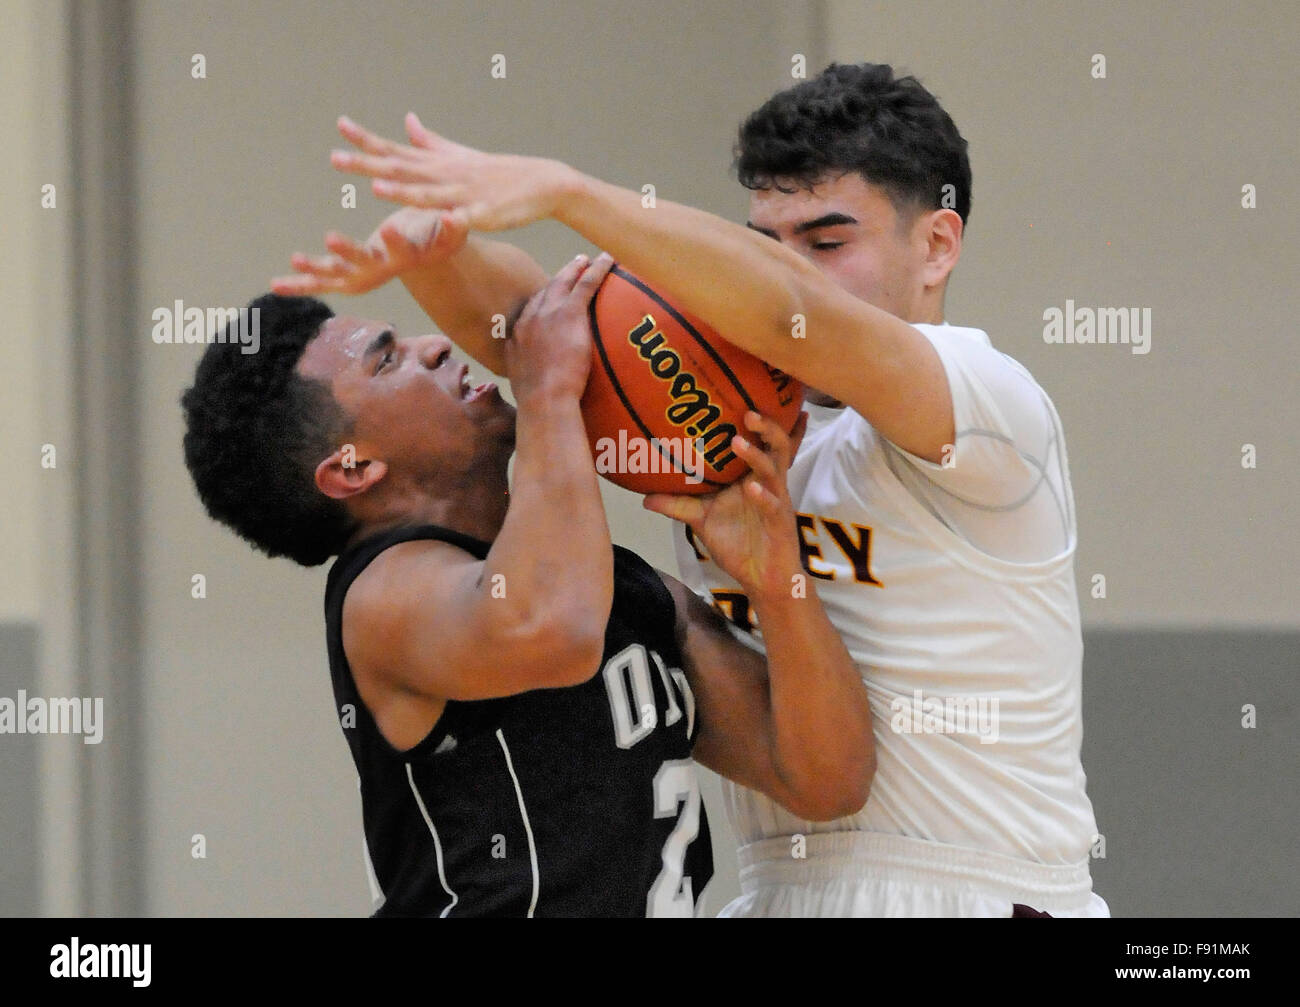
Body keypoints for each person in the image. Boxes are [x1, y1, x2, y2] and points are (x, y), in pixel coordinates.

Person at [275, 61, 1108, 918]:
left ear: (936, 244)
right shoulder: (719, 420)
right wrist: (438, 248)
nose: (781, 271)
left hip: (975, 890)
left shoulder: (984, 397)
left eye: (827, 242)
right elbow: (539, 333)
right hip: (782, 886)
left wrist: (567, 191)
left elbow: (794, 311)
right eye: (760, 239)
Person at [182, 254, 873, 917]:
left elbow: (824, 779)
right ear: (354, 468)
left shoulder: (626, 590)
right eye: (387, 358)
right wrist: (549, 391)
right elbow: (555, 628)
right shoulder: (381, 598)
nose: (432, 346)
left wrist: (777, 581)